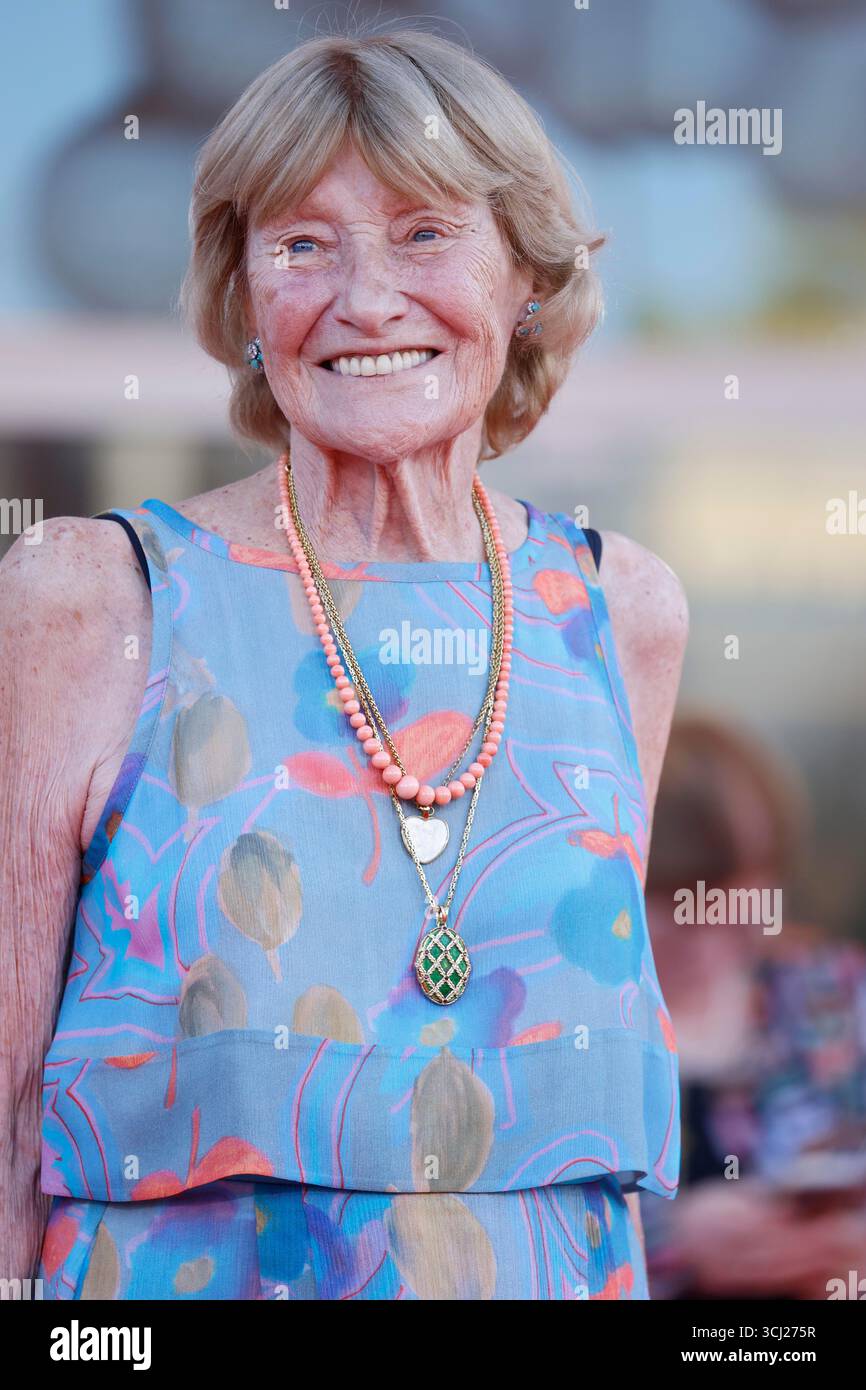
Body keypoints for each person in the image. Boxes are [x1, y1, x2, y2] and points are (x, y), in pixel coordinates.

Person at [1, 29, 687, 1301]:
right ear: (244, 299)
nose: (365, 299)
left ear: (526, 275)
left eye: (425, 233)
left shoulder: (619, 611)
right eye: (302, 244)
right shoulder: (90, 600)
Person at [640, 714, 866, 1300]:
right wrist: (671, 1242)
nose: (705, 926)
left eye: (728, 894)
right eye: (673, 898)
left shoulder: (833, 994)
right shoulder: (570, 1025)